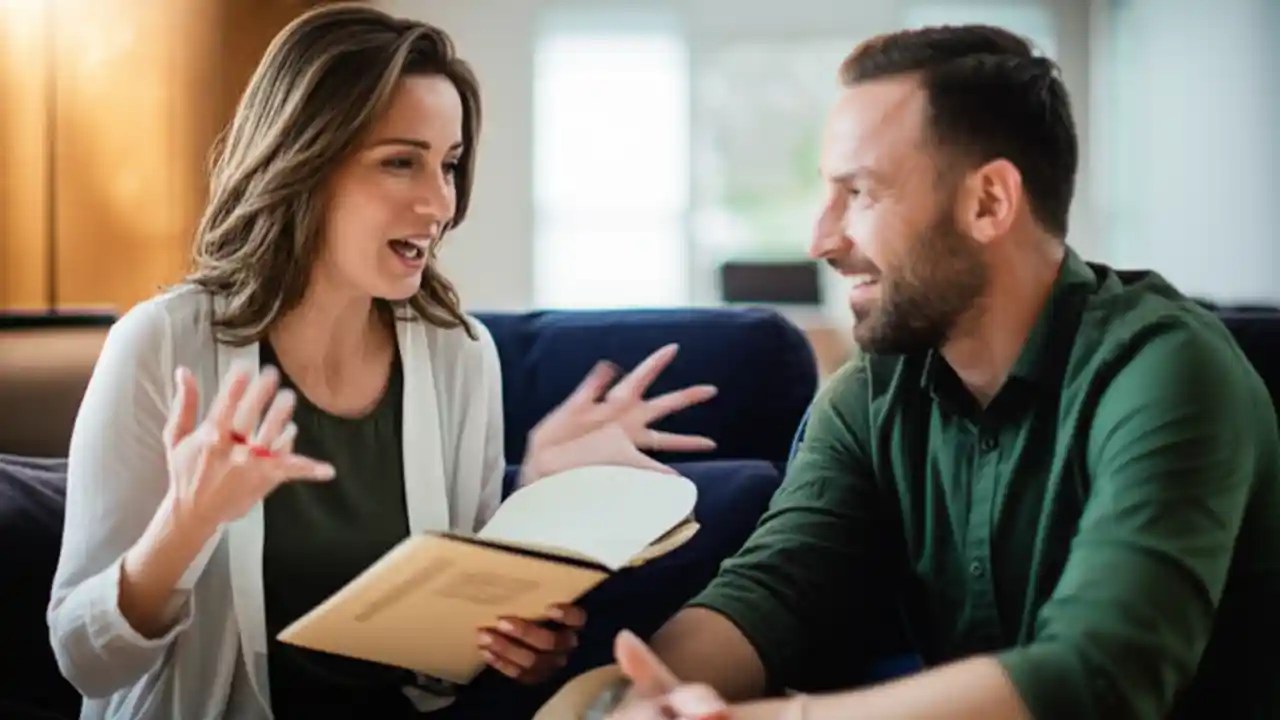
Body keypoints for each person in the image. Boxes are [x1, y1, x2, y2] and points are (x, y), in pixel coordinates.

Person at [545, 23, 1280, 720]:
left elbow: (1098, 673)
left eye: (859, 193)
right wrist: (653, 693)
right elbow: (773, 591)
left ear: (988, 202)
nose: (820, 239)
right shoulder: (873, 392)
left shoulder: (1166, 370)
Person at [45, 4, 719, 719]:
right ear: (305, 162)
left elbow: (440, 672)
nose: (440, 202)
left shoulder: (458, 356)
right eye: (401, 162)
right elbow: (86, 661)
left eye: (450, 164)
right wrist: (183, 525)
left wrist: (511, 633)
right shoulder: (160, 346)